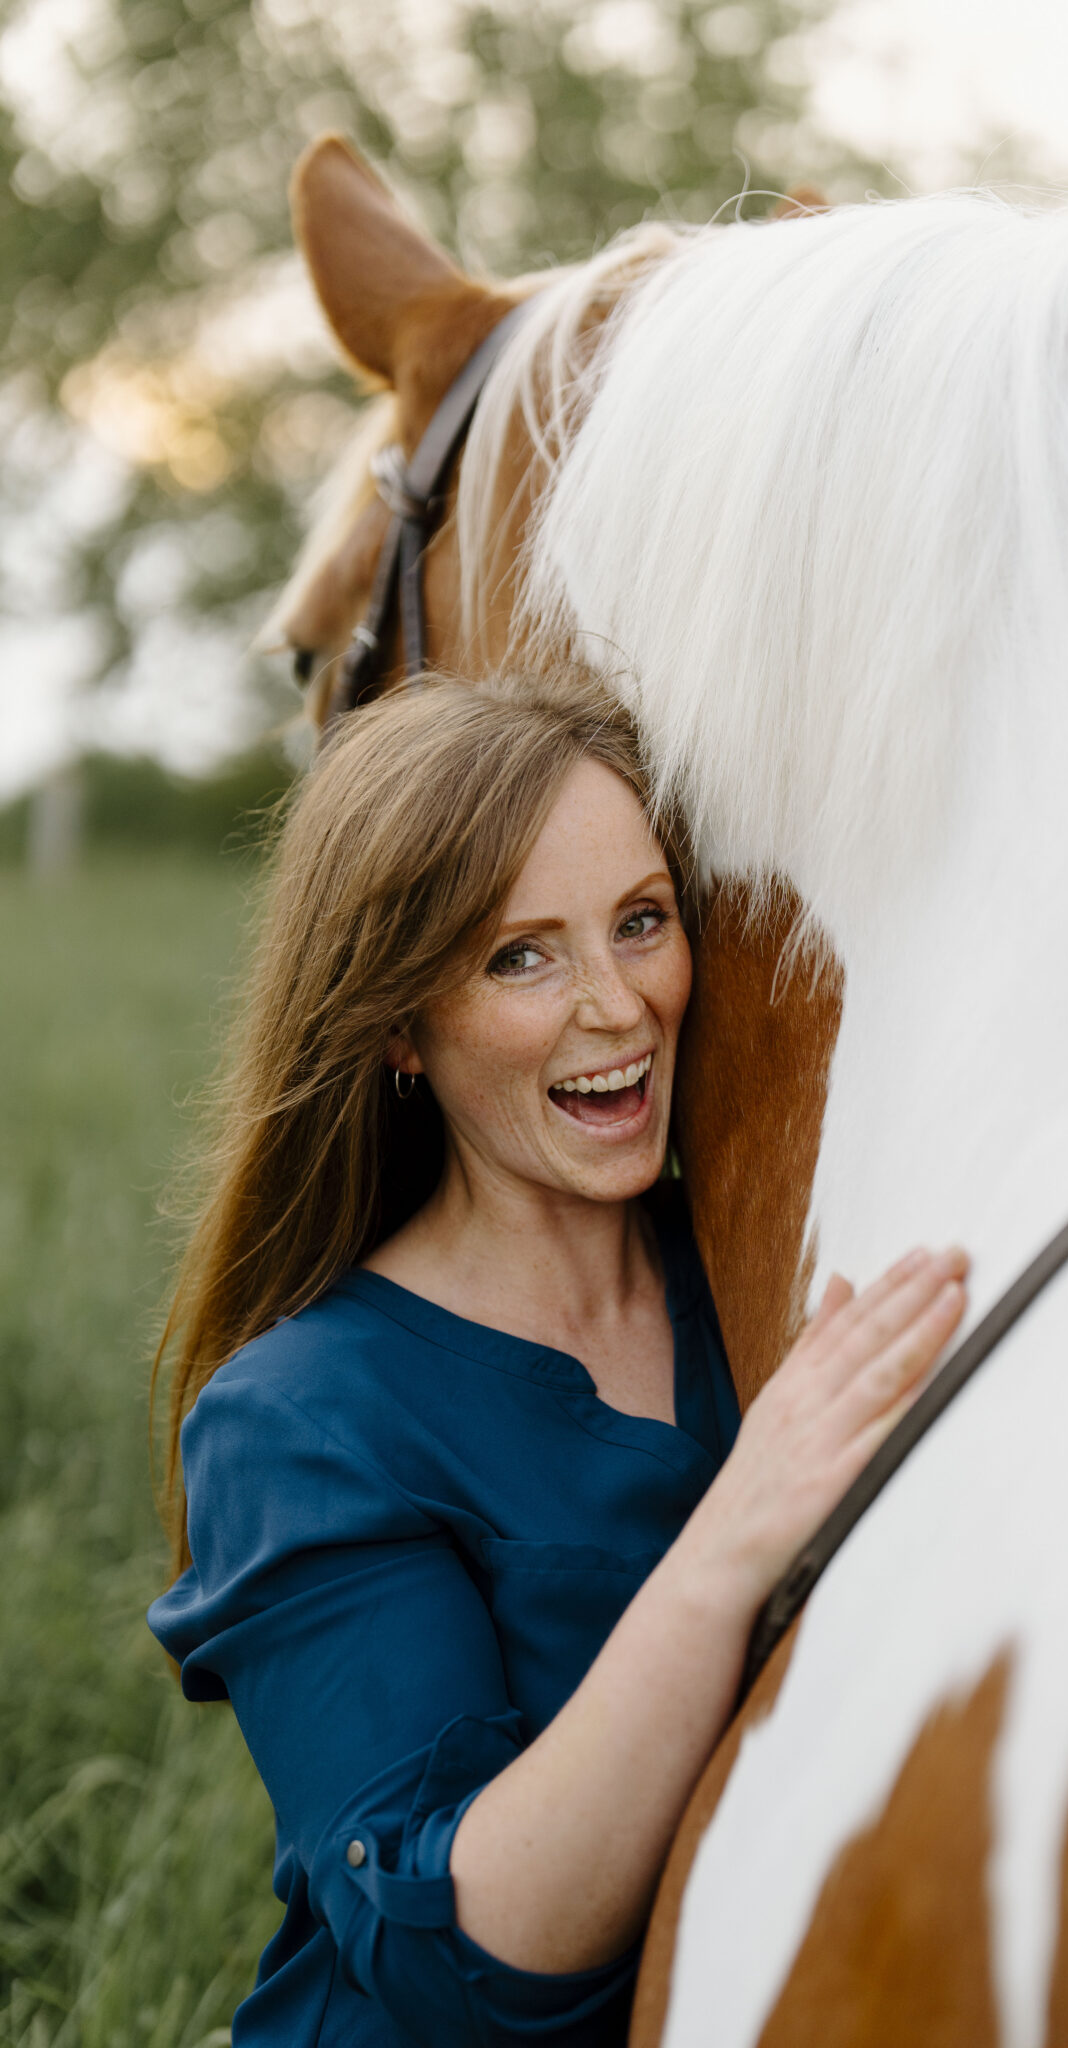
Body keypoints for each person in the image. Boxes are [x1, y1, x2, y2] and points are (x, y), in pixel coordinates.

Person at [148, 668, 968, 2048]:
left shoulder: (766, 1281)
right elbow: (469, 1956)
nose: (616, 1006)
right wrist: (735, 1535)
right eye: (520, 955)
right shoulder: (300, 1420)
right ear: (400, 1022)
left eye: (640, 923)